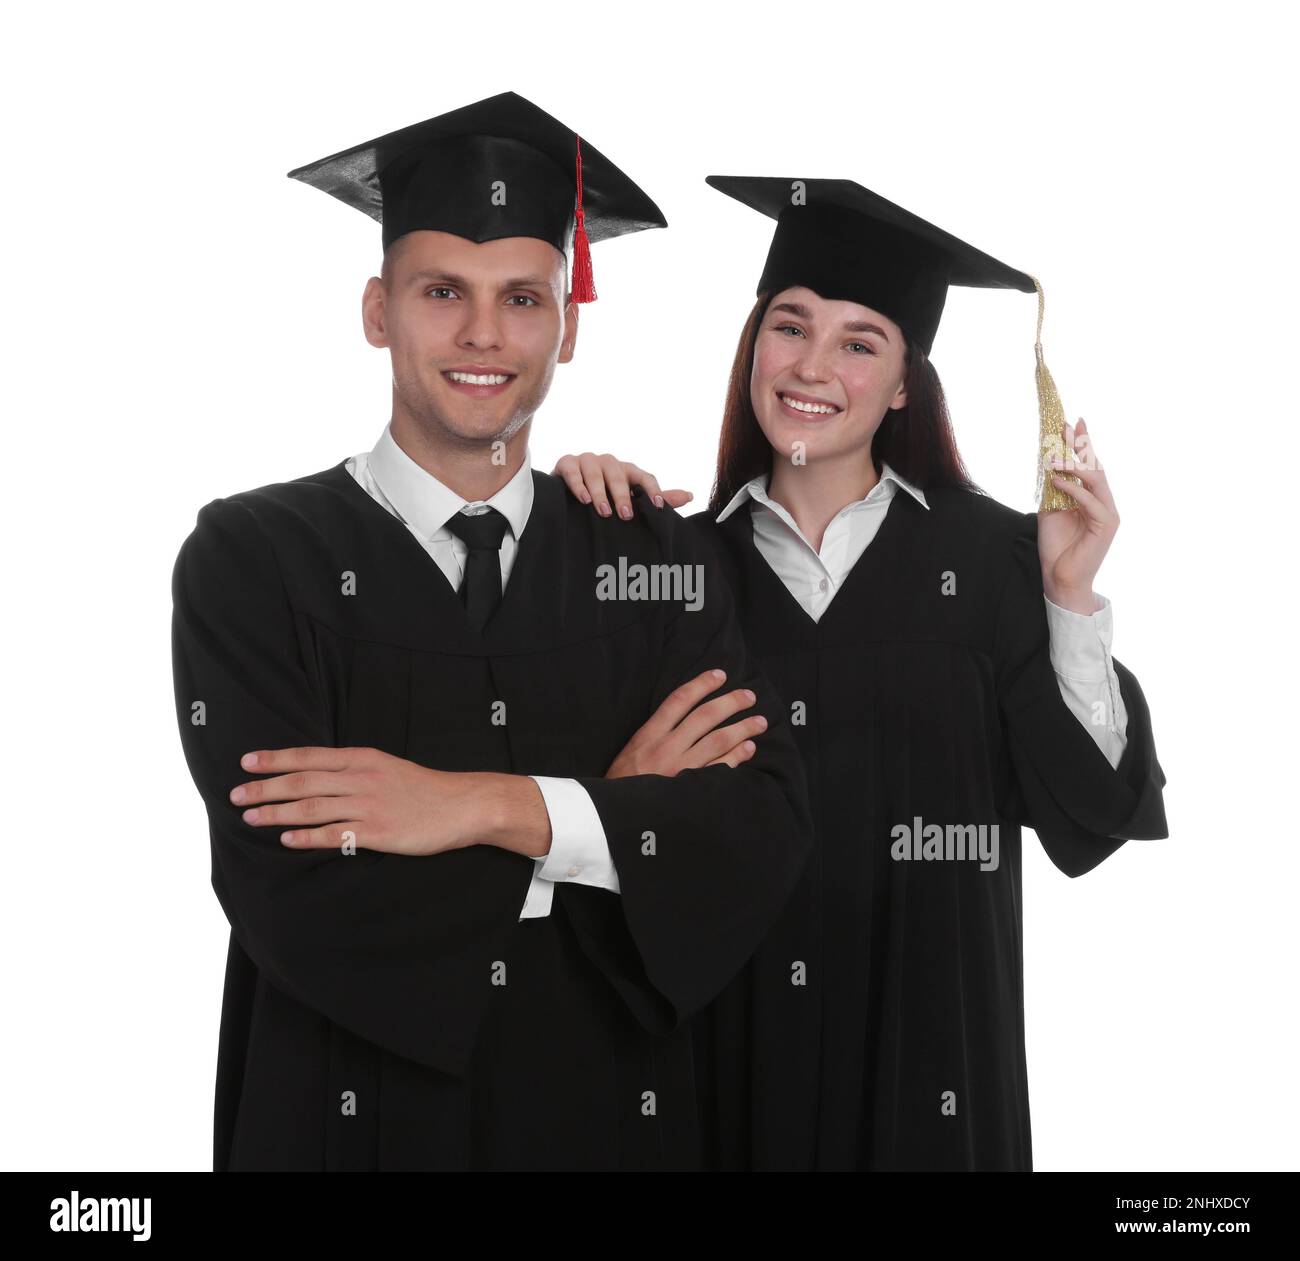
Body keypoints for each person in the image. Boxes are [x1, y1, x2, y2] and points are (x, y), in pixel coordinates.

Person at [169, 95, 812, 1172]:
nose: (483, 334)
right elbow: (291, 878)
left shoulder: (650, 556)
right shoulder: (252, 558)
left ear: (568, 323)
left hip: (609, 1116)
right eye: (441, 292)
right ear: (378, 310)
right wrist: (607, 821)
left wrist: (469, 807)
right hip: (349, 1117)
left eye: (522, 297)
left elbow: (755, 834)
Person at [553, 175, 1169, 1170]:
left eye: (859, 342)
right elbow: (607, 828)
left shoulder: (998, 565)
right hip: (722, 1065)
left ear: (901, 386)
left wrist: (1066, 599)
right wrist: (568, 520)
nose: (813, 366)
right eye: (789, 326)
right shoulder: (673, 571)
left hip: (932, 1069)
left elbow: (1088, 816)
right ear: (753, 347)